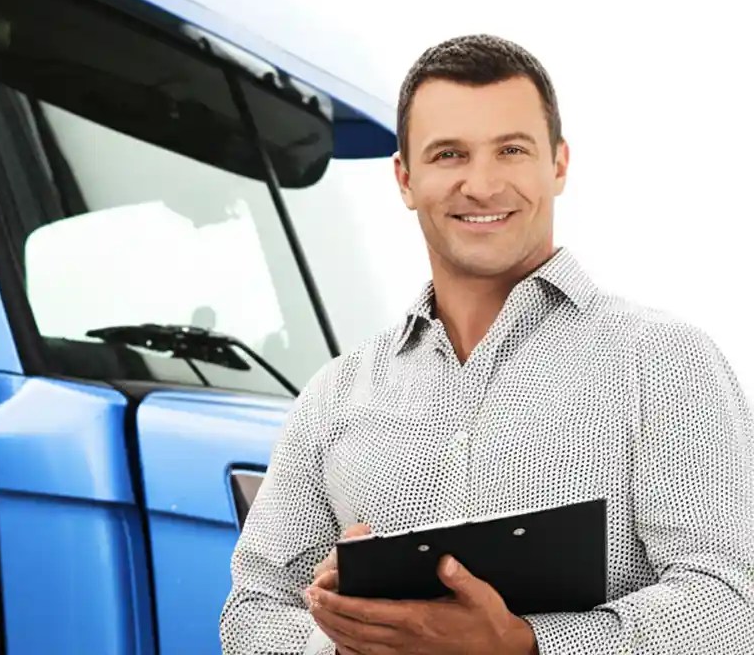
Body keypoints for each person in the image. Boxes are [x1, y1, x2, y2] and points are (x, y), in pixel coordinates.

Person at [218, 34, 754, 654]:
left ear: (557, 165)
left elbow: (732, 604)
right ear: (405, 178)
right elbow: (251, 618)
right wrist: (350, 637)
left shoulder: (665, 362)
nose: (481, 184)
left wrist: (524, 645)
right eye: (449, 154)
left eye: (511, 150)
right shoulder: (334, 397)